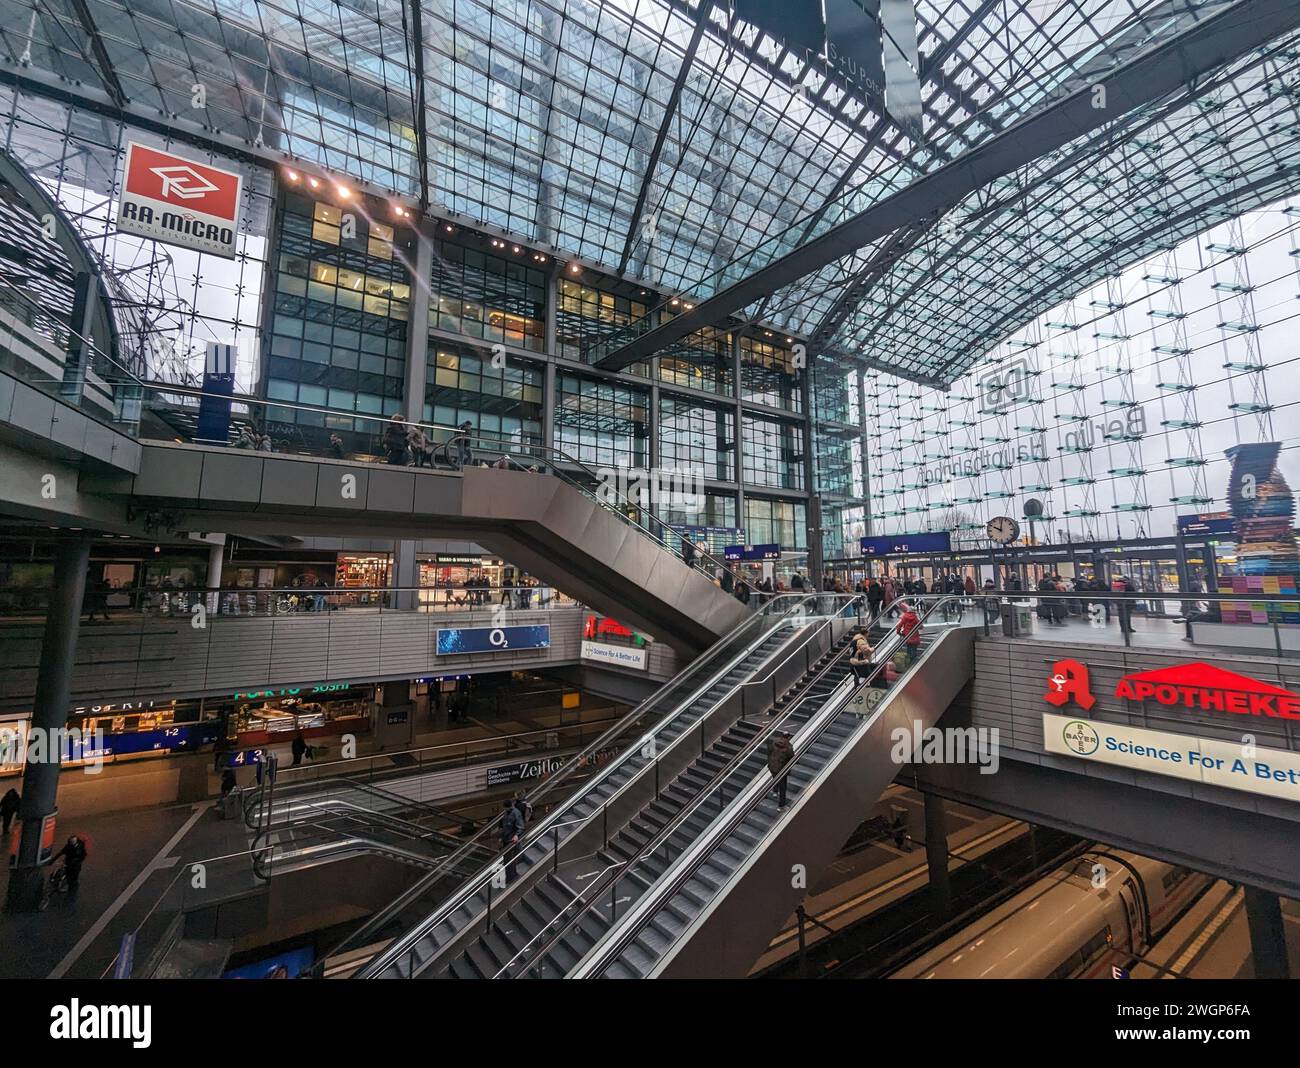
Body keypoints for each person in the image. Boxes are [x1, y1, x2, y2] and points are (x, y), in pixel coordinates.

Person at [499, 799, 525, 883]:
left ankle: (511, 877)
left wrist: (516, 835)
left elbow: (520, 826)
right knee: (507, 860)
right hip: (506, 839)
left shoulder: (516, 813)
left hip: (512, 840)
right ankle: (510, 876)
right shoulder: (506, 813)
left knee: (510, 859)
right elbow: (503, 826)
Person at [767, 732, 794, 809]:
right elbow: (791, 756)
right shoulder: (788, 746)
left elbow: (769, 752)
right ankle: (781, 806)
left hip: (772, 766)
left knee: (775, 778)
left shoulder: (774, 742)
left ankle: (775, 791)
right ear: (788, 737)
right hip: (781, 769)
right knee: (783, 788)